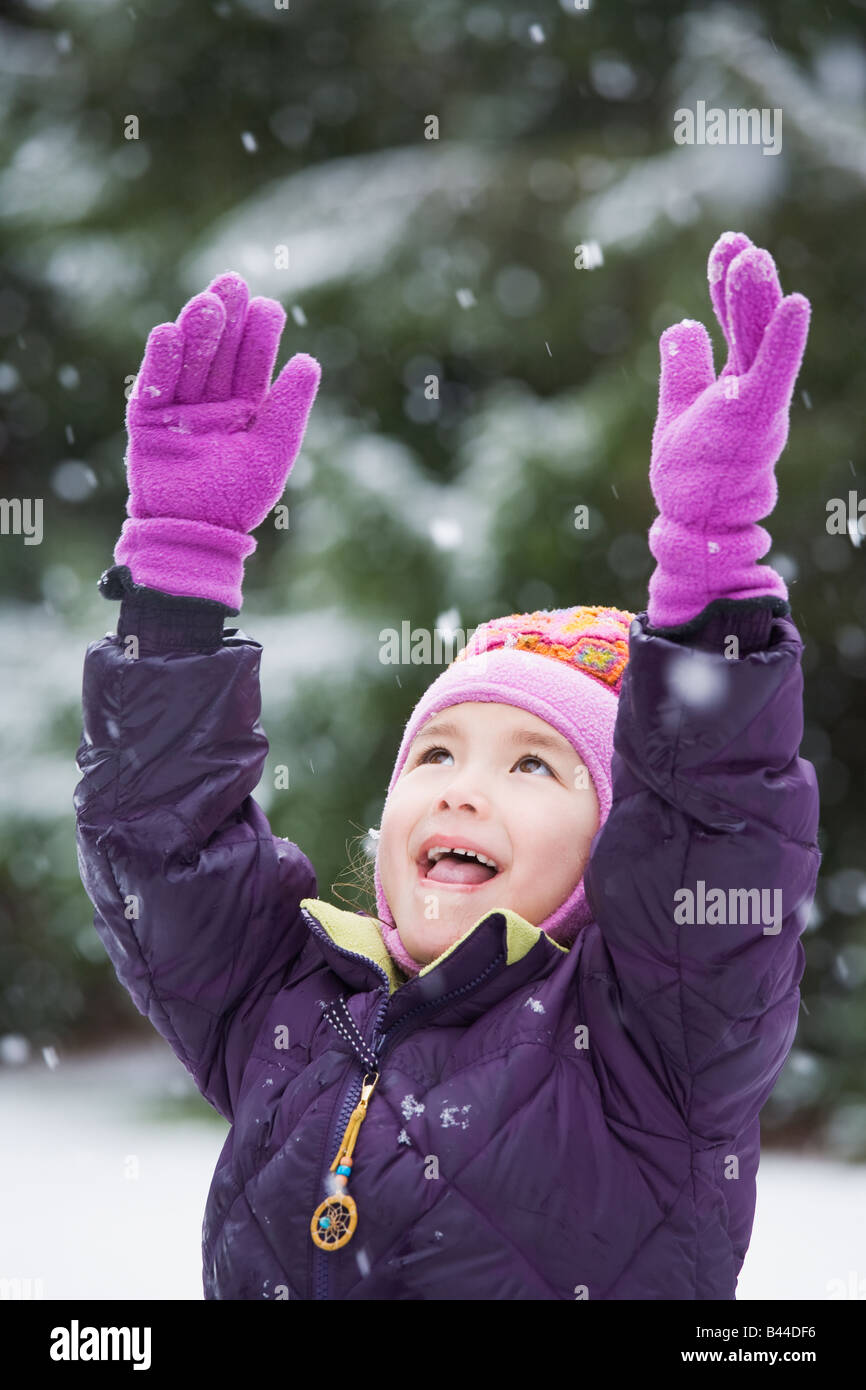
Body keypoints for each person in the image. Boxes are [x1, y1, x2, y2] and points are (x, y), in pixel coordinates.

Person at [74, 230, 820, 1300]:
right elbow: (157, 838)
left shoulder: (653, 1044)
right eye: (433, 751)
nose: (461, 785)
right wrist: (180, 574)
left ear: (619, 850)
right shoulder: (285, 999)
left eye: (533, 766)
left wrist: (709, 564)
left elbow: (715, 828)